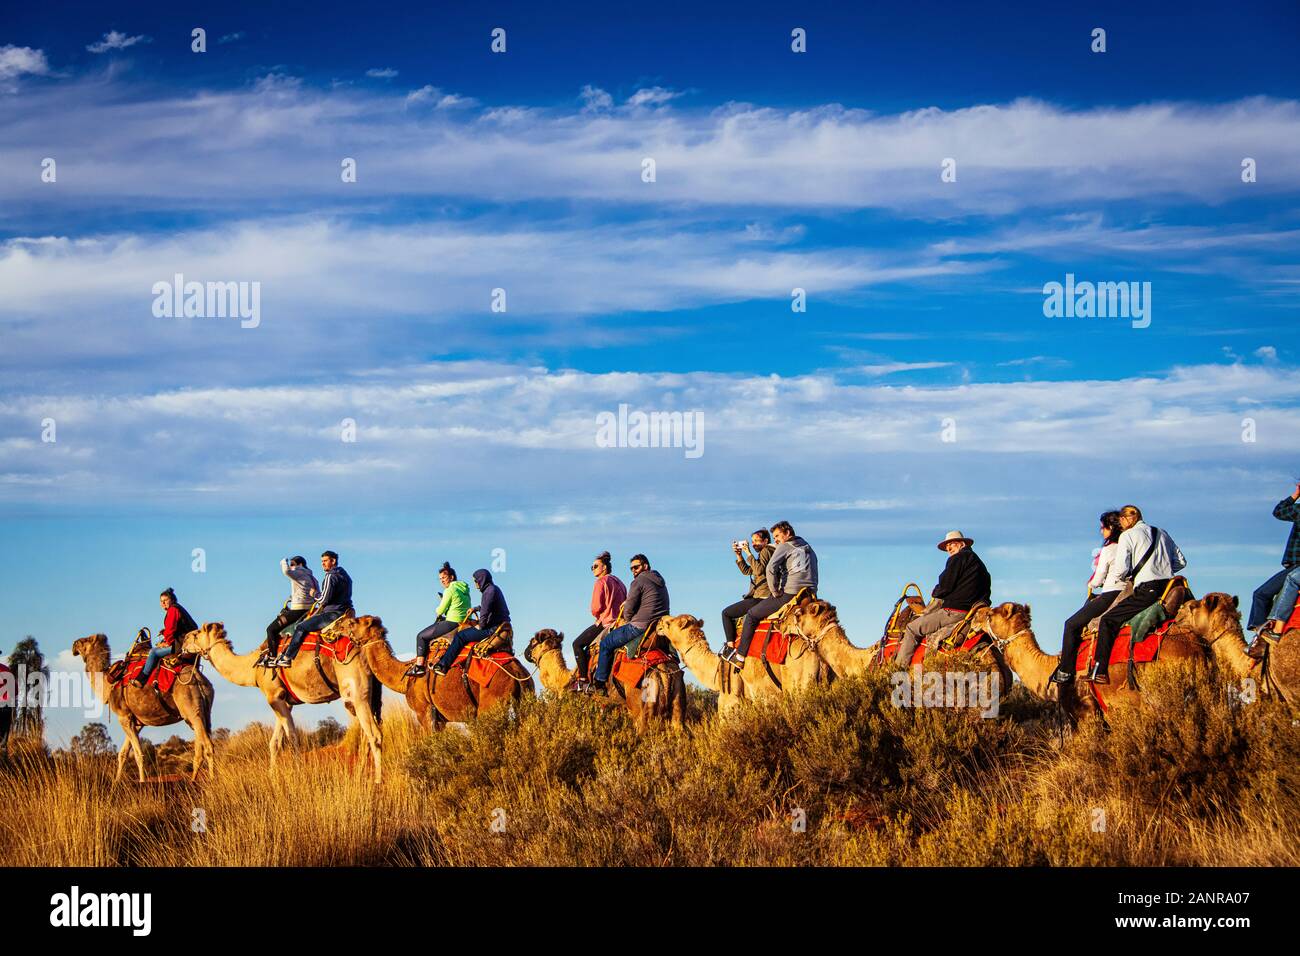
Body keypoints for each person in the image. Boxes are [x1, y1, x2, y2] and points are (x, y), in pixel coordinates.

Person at [1087, 505, 1186, 683]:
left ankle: (1099, 670)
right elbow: (1181, 562)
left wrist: (1121, 577)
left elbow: (1121, 570)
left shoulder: (1128, 536)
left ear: (1126, 519)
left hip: (1147, 591)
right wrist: (1161, 569)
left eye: (1121, 521)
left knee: (1108, 620)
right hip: (1169, 588)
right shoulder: (1162, 532)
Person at [725, 521, 817, 669]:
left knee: (751, 615)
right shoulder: (808, 548)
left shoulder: (783, 547)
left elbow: (769, 569)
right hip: (810, 593)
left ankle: (740, 656)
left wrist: (775, 592)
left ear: (787, 533)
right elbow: (750, 571)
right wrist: (740, 556)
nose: (776, 540)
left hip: (789, 593)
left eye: (777, 536)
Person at [894, 531, 991, 667]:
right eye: (947, 546)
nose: (949, 548)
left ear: (962, 544)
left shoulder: (957, 559)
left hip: (952, 613)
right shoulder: (981, 566)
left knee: (911, 628)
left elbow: (945, 586)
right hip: (971, 615)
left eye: (952, 544)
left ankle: (898, 670)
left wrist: (935, 591)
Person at [1051, 511, 1124, 684]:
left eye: (1103, 527)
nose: (1101, 531)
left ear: (1111, 527)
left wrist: (1091, 583)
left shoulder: (1110, 549)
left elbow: (1098, 579)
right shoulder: (1129, 546)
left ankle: (1065, 671)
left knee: (1071, 624)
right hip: (1130, 592)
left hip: (1111, 594)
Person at [589, 554, 669, 693]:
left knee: (606, 643)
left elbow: (628, 611)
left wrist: (629, 617)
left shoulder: (638, 581)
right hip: (657, 626)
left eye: (636, 567)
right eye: (631, 568)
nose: (634, 571)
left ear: (645, 566)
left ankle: (600, 683)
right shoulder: (660, 581)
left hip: (639, 626)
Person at [272, 551, 353, 668]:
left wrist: (314, 594)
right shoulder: (346, 576)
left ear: (333, 561)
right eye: (322, 561)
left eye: (325, 561)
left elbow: (323, 600)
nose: (323, 564)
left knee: (301, 627)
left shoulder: (330, 576)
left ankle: (287, 657)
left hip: (333, 613)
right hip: (346, 611)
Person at [431, 568, 509, 677]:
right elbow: (489, 607)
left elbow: (485, 614)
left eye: (476, 581)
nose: (475, 584)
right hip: (501, 624)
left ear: (482, 580)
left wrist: (480, 626)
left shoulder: (488, 592)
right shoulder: (494, 589)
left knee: (460, 636)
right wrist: (476, 608)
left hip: (493, 628)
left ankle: (443, 665)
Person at [1248, 483, 1300, 641]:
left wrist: (1295, 495)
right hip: (1294, 565)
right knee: (1262, 594)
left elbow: (1278, 511)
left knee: (1262, 593)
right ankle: (1263, 632)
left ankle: (1268, 632)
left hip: (1296, 565)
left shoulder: (1299, 510)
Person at [569, 552, 627, 690]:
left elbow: (596, 607)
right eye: (592, 567)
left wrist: (597, 616)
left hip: (606, 622)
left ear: (604, 567)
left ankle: (583, 680)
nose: (593, 569)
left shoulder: (601, 582)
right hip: (621, 621)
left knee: (577, 644)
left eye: (595, 566)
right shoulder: (620, 583)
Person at [406, 563, 472, 677]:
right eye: (440, 579)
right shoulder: (464, 589)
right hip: (465, 622)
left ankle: (419, 667)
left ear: (451, 577)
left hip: (452, 622)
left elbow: (440, 610)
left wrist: (439, 606)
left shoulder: (450, 589)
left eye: (444, 578)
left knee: (421, 636)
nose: (442, 581)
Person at [720, 529, 776, 659]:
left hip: (762, 597)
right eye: (752, 541)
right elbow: (748, 571)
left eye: (757, 541)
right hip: (762, 596)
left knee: (726, 613)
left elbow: (758, 570)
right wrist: (739, 556)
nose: (754, 544)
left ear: (765, 541)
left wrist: (748, 553)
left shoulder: (767, 551)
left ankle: (730, 648)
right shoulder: (767, 553)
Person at [258, 556, 320, 666]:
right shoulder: (313, 578)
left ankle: (272, 657)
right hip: (309, 609)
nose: (291, 567)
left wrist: (283, 561)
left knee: (271, 629)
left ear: (300, 565)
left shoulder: (299, 572)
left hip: (297, 611)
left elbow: (286, 571)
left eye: (292, 564)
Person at [132, 588, 199, 687]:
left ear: (172, 600)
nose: (163, 603)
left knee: (153, 652)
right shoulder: (179, 608)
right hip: (188, 644)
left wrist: (168, 642)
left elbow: (170, 630)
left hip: (181, 646)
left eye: (165, 600)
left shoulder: (173, 610)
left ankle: (141, 679)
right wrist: (165, 632)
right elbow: (181, 628)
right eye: (161, 601)